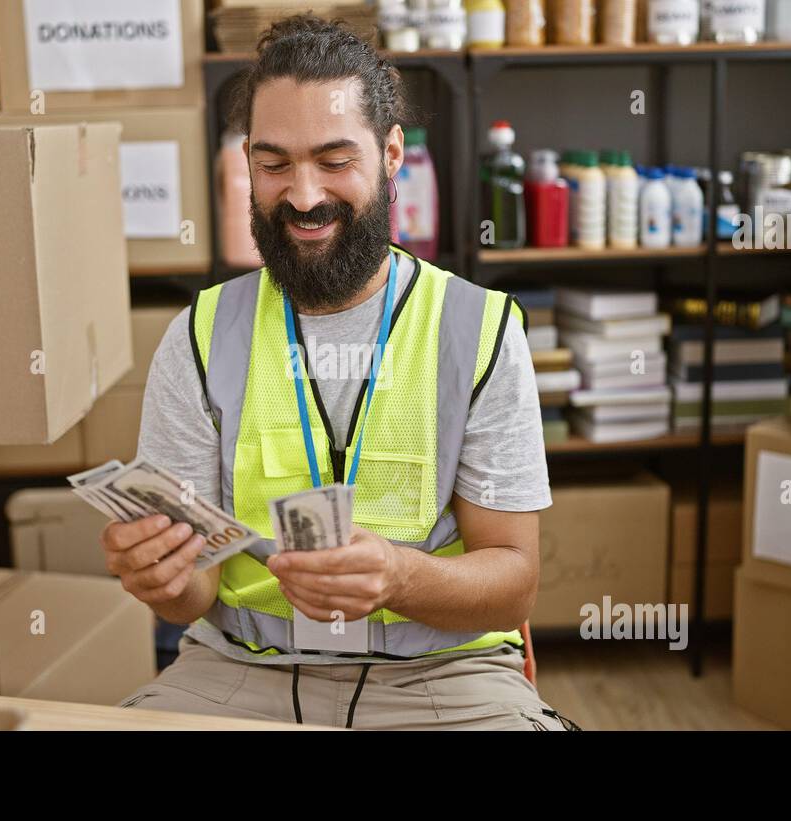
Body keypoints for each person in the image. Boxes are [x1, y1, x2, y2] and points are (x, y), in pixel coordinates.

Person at [101, 14, 576, 731]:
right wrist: (162, 582)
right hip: (243, 668)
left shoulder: (477, 329)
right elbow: (192, 594)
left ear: (390, 155)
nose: (301, 195)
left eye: (332, 159)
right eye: (273, 163)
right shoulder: (199, 334)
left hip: (441, 675)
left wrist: (399, 575)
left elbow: (514, 585)